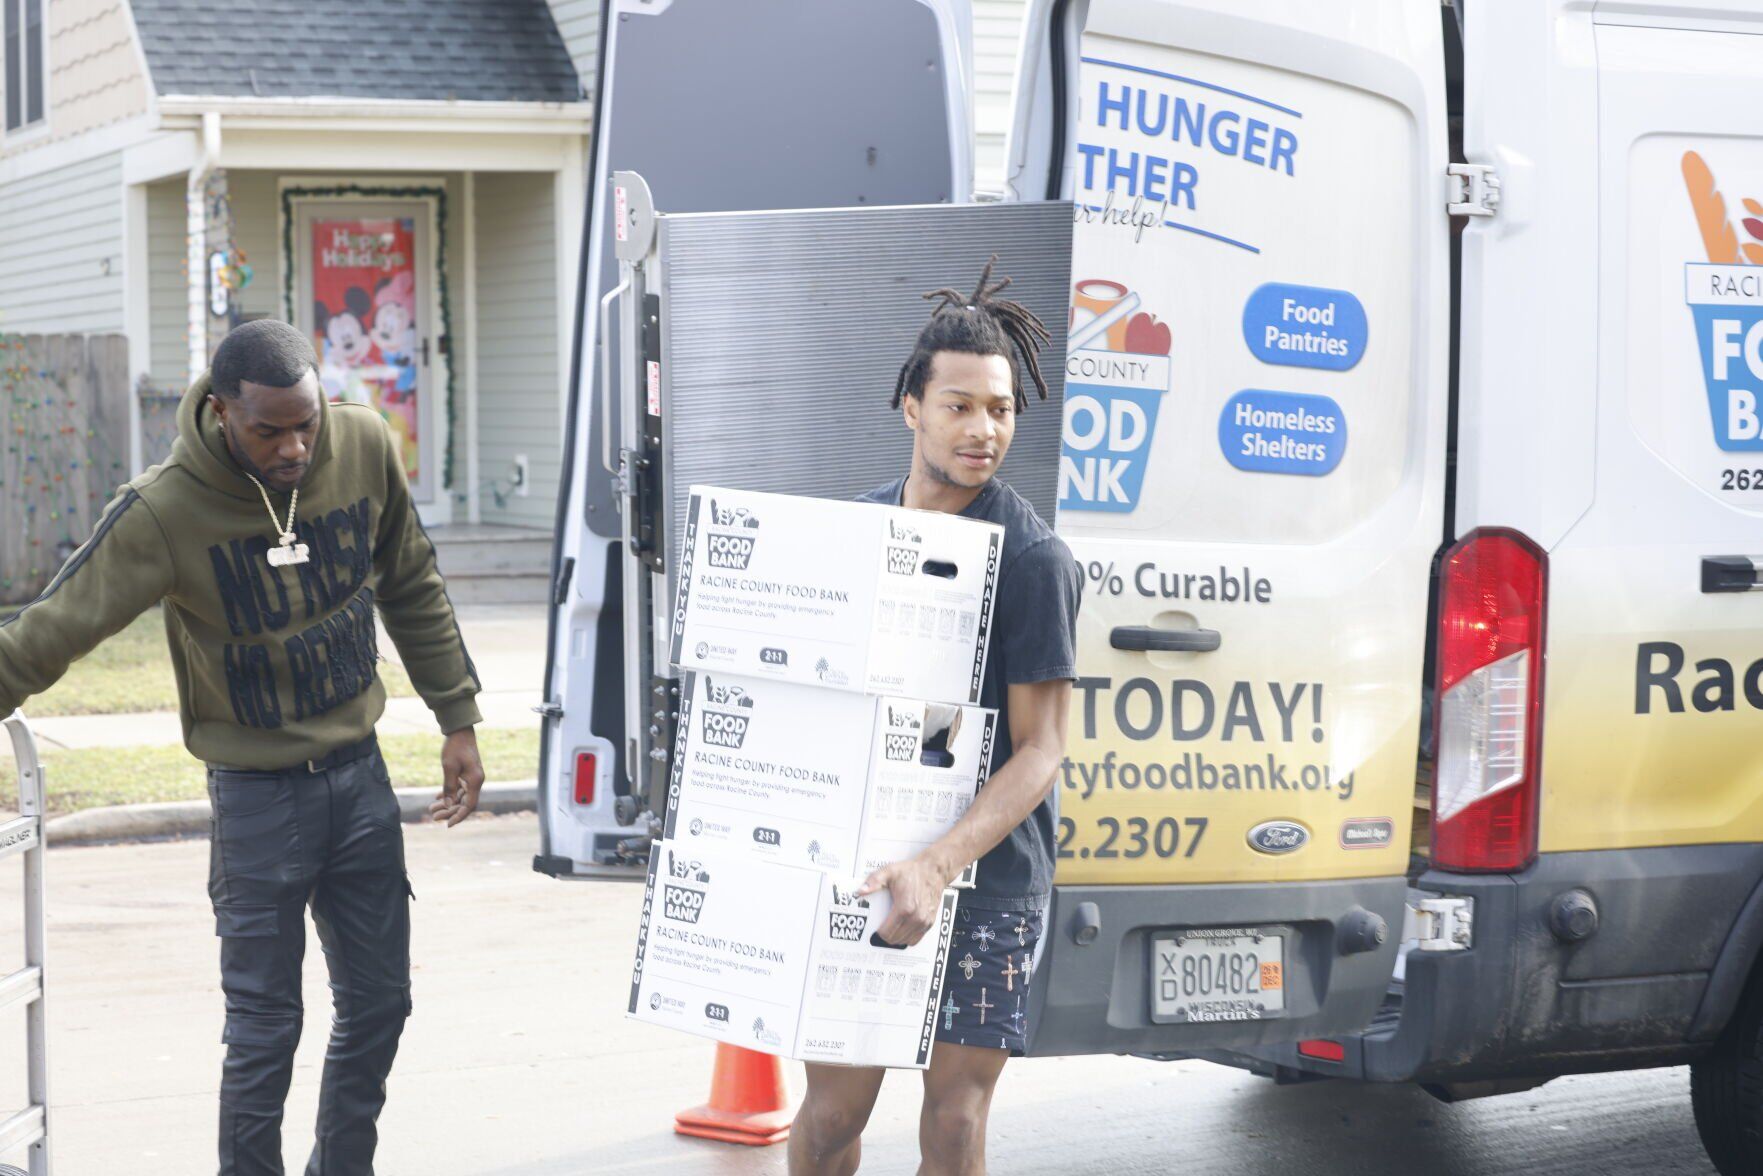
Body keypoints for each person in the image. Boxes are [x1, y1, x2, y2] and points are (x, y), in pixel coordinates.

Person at [0, 319, 486, 1174]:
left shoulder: (364, 444)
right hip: (259, 799)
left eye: (307, 424)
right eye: (270, 430)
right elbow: (44, 636)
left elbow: (409, 575)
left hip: (360, 780)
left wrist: (457, 715)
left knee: (380, 1004)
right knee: (267, 1027)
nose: (295, 446)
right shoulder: (163, 510)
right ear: (222, 411)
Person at [788, 260, 1082, 1176]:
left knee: (954, 1122)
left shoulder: (1033, 559)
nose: (982, 429)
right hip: (866, 858)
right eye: (958, 405)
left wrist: (938, 865)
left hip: (990, 880)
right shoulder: (859, 534)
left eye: (998, 408)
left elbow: (1041, 750)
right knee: (834, 1112)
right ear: (909, 408)